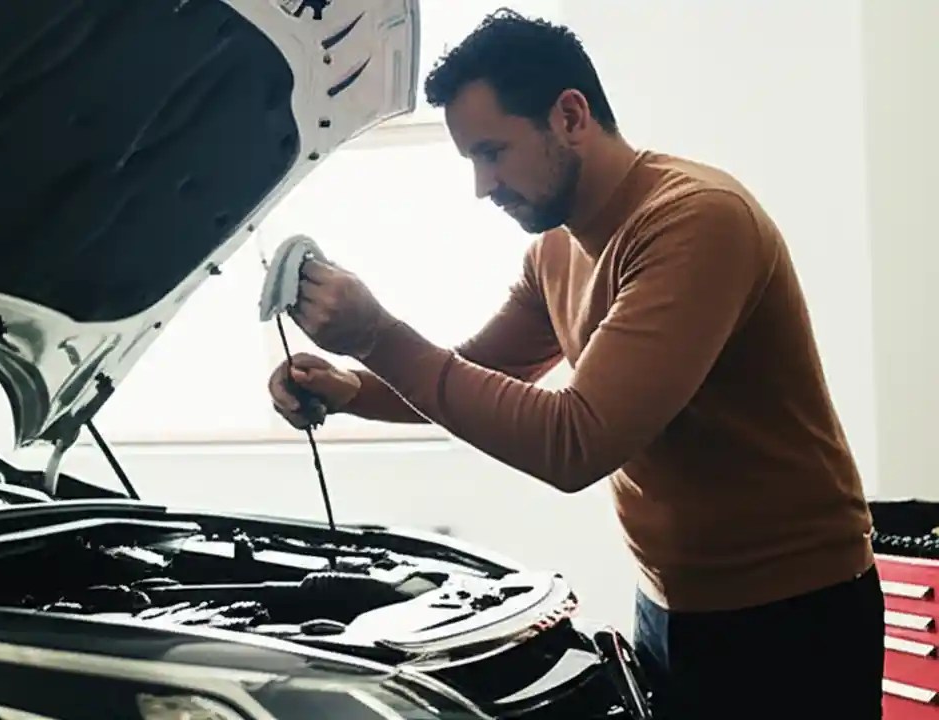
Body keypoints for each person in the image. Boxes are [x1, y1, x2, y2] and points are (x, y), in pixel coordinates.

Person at [265, 9, 883, 720]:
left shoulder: (696, 221)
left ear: (569, 115)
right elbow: (477, 368)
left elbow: (576, 442)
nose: (482, 185)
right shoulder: (555, 250)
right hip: (672, 602)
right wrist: (348, 389)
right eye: (471, 159)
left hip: (791, 613)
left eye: (493, 152)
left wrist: (376, 336)